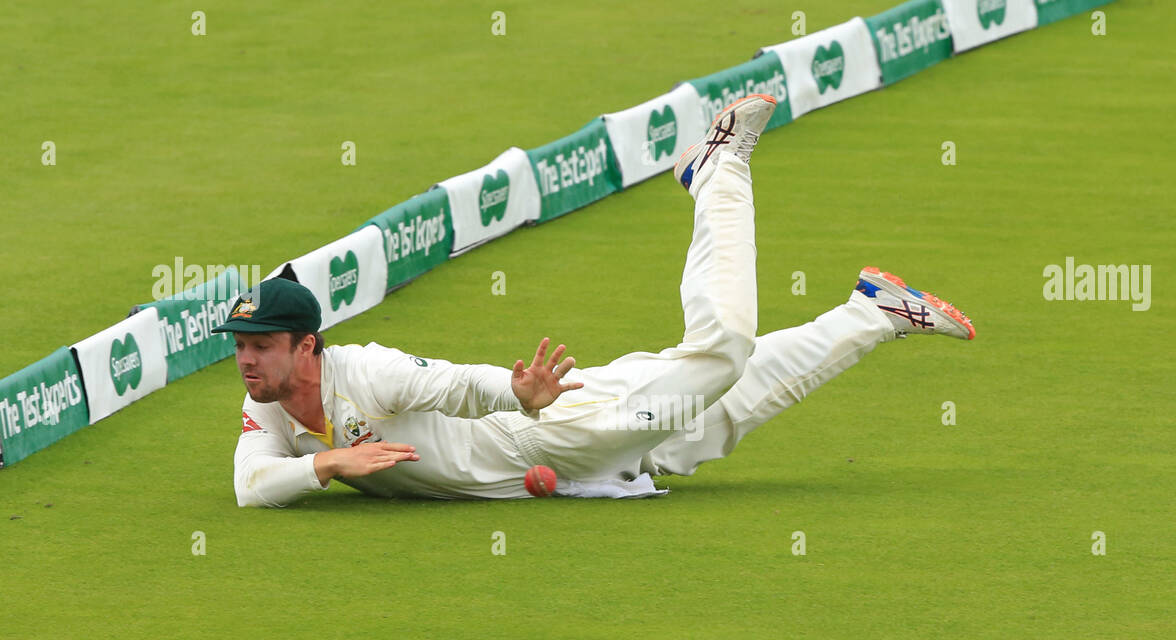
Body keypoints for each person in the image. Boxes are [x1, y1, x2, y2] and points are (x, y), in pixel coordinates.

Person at [217, 94, 975, 508]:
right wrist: (330, 463)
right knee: (719, 412)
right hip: (563, 453)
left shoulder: (365, 371)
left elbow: (452, 384)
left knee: (720, 356)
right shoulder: (271, 411)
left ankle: (717, 172)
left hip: (546, 431)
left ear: (306, 346)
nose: (247, 361)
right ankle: (872, 313)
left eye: (261, 346)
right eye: (242, 347)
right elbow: (251, 487)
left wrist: (518, 392)